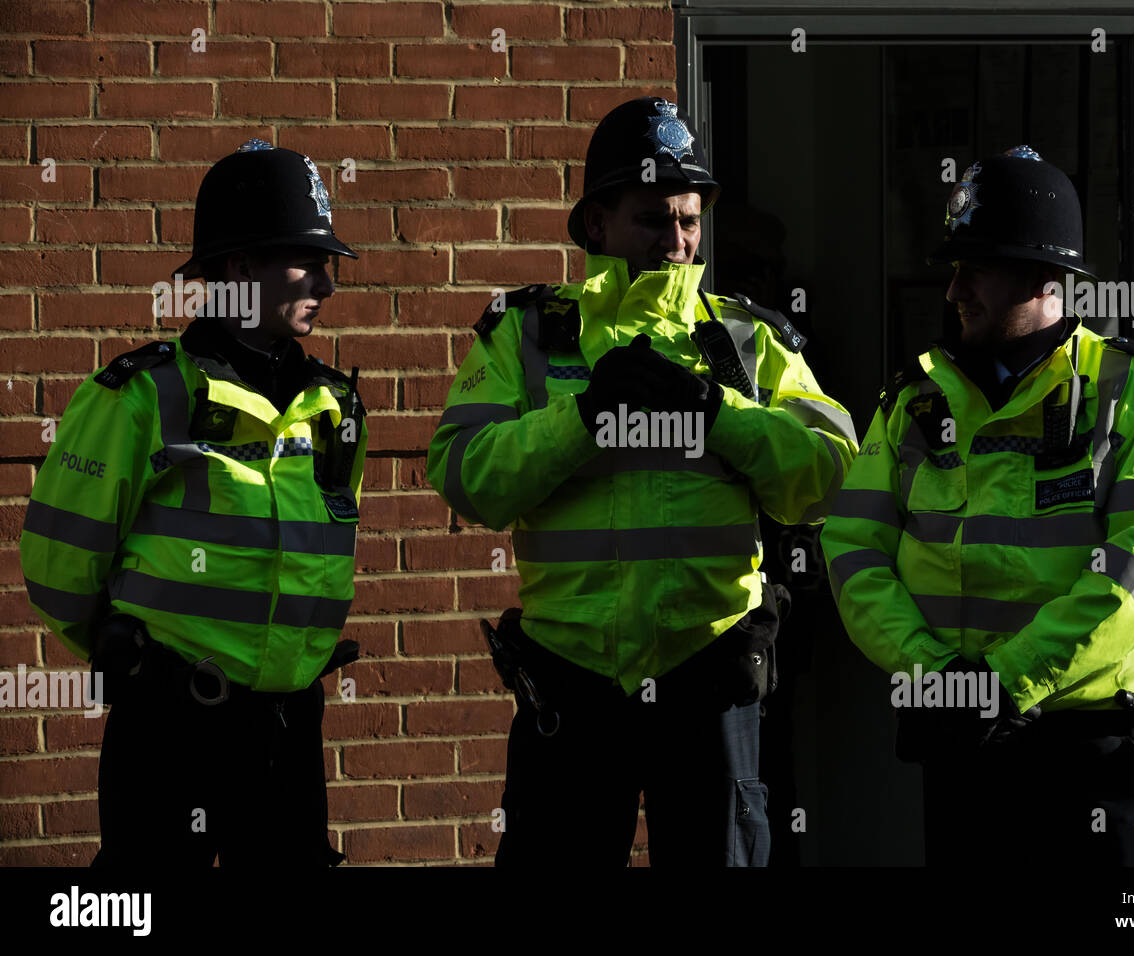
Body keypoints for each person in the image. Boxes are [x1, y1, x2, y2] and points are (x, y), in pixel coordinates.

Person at [428, 97, 858, 866]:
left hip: (709, 676)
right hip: (571, 684)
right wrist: (583, 416)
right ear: (596, 223)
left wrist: (718, 412)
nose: (678, 242)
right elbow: (467, 478)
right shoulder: (527, 334)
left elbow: (829, 476)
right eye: (655, 220)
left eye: (690, 221)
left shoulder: (745, 341)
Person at [821, 146, 1134, 866]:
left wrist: (1004, 680)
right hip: (961, 743)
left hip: (1090, 748)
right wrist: (937, 678)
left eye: (977, 269)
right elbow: (853, 550)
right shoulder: (913, 402)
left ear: (1043, 277)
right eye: (954, 269)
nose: (955, 289)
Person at [19, 140, 368, 867]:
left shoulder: (334, 406)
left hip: (290, 729)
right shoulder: (145, 394)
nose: (327, 285)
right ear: (240, 269)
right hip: (172, 731)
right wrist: (141, 661)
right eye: (308, 263)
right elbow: (57, 563)